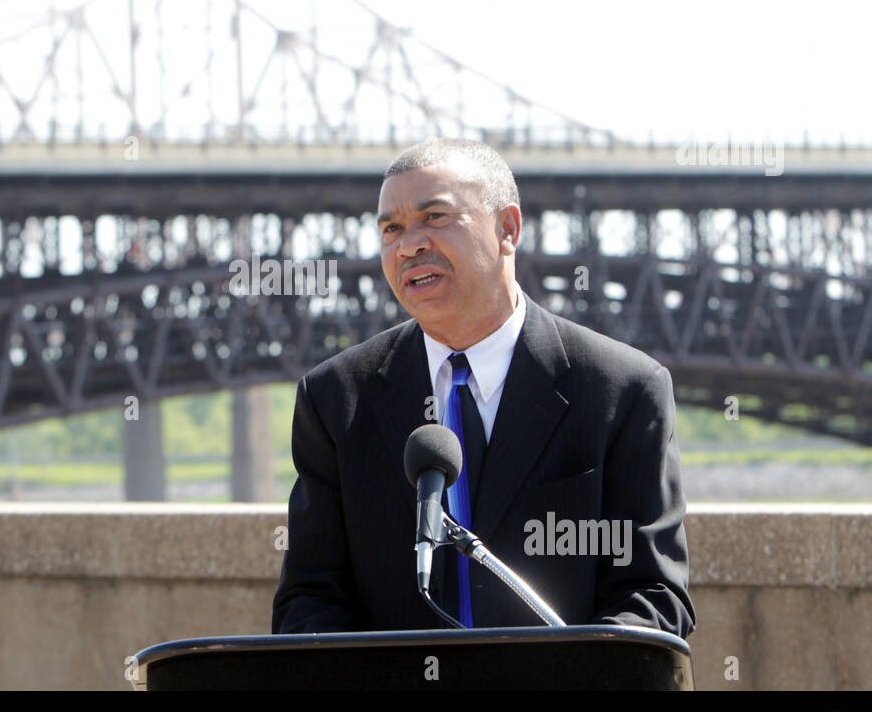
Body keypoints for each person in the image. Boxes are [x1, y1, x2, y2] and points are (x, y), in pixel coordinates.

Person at [271, 137, 695, 636]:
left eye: (435, 217)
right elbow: (309, 599)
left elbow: (652, 596)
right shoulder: (335, 399)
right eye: (392, 228)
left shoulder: (621, 390)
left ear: (507, 228)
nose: (409, 245)